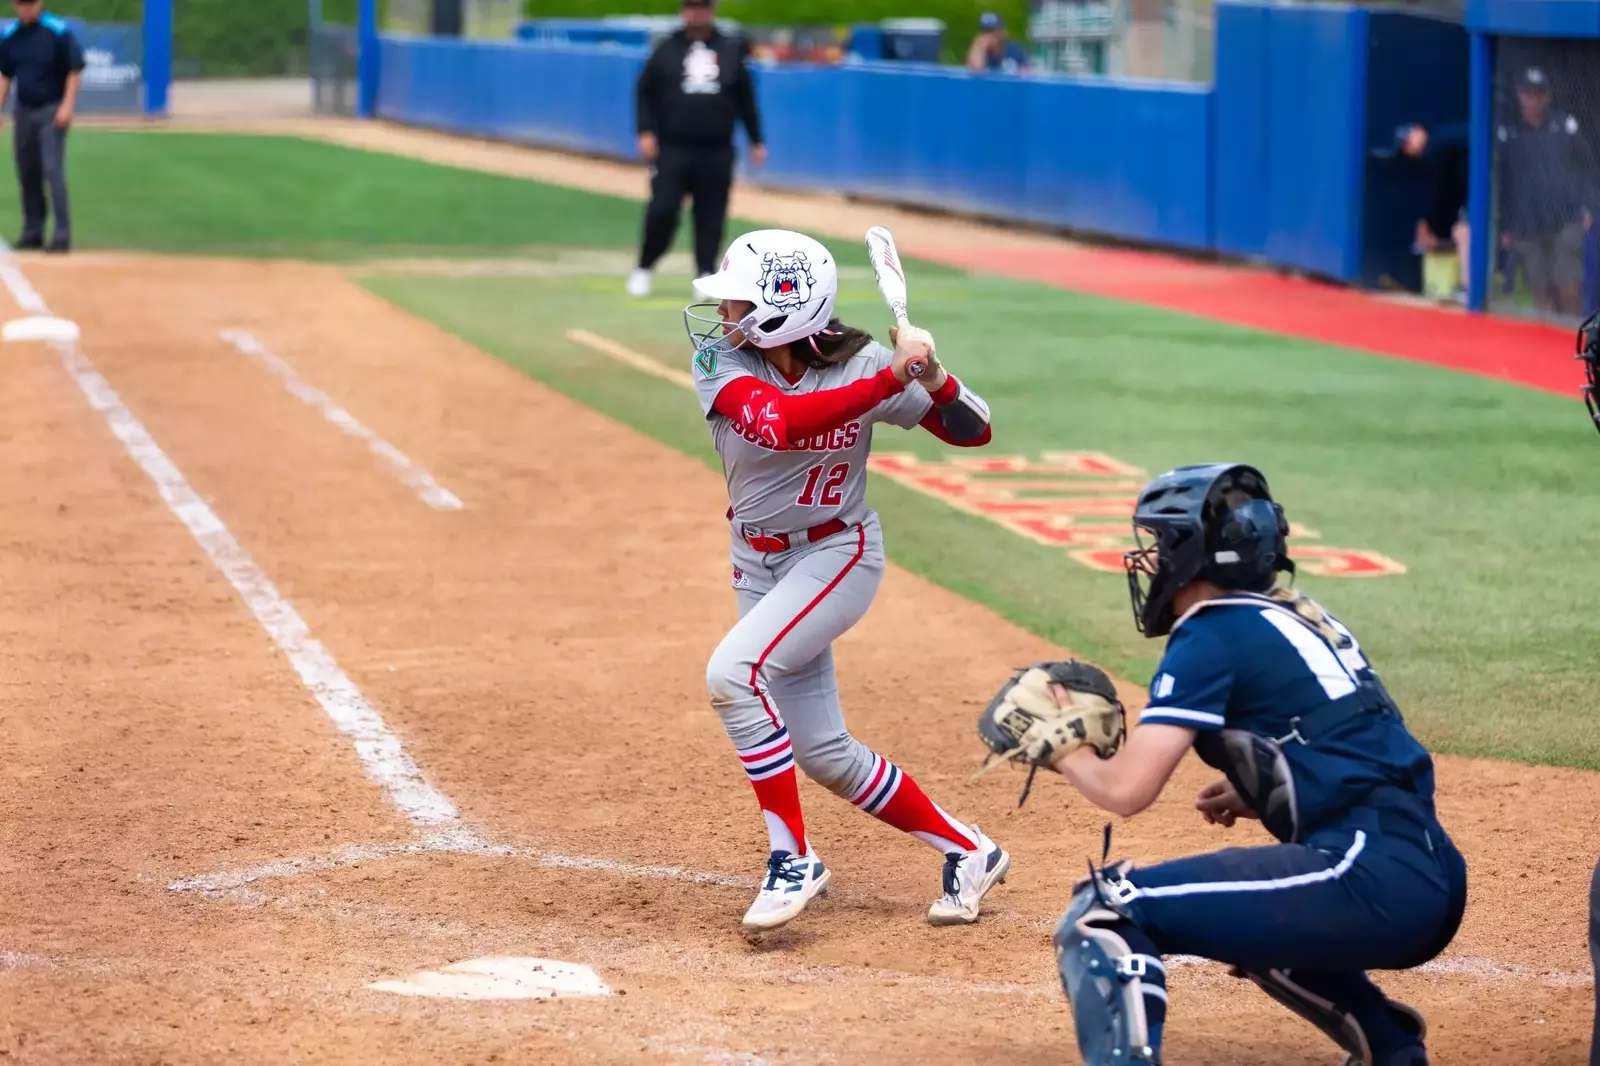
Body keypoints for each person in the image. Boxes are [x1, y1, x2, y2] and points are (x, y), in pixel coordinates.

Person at [988, 463, 1467, 1065]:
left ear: (1193, 553)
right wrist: (1264, 783)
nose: (1154, 560)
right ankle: (1390, 1050)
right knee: (1245, 920)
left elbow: (1128, 790)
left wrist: (1066, 749)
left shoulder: (1211, 633)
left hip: (1367, 878)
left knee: (1107, 907)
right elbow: (1363, 737)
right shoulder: (1298, 615)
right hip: (1426, 872)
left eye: (1162, 544)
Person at [685, 228, 1007, 934]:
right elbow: (777, 424)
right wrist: (888, 381)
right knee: (823, 751)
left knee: (734, 675)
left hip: (836, 556)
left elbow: (973, 430)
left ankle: (791, 858)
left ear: (783, 309)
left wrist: (932, 374)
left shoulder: (862, 362)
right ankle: (968, 849)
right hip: (756, 559)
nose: (723, 313)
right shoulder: (719, 359)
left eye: (737, 301)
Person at [630, 0, 765, 299]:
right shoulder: (665, 49)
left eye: (702, 7)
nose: (697, 13)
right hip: (673, 147)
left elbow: (746, 98)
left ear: (711, 11)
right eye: (691, 7)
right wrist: (645, 130)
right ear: (683, 12)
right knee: (662, 208)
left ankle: (705, 272)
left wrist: (757, 139)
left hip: (716, 148)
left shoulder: (730, 49)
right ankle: (644, 266)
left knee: (711, 214)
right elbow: (644, 92)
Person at [1497, 66, 1598, 316]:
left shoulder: (1565, 126)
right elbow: (1502, 181)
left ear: (1548, 96)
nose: (1534, 100)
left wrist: (1590, 206)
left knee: (1569, 288)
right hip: (1527, 222)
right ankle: (1548, 348)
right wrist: (1505, 225)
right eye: (1528, 93)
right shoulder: (1509, 132)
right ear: (1520, 95)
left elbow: (1589, 165)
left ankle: (1573, 338)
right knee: (1541, 291)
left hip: (1567, 217)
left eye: (1539, 93)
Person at [0, 0, 82, 253]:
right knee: (27, 171)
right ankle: (32, 231)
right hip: (23, 111)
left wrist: (67, 105)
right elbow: (5, 75)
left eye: (31, 4)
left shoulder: (57, 31)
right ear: (15, 6)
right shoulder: (10, 35)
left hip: (52, 109)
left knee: (52, 169)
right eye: (22, 4)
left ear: (40, 4)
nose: (27, 9)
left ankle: (61, 233)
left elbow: (74, 69)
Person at [1397, 122, 1470, 294]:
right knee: (1462, 230)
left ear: (1420, 131)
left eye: (1410, 139)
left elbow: (1443, 193)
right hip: (1484, 186)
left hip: (1493, 182)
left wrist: (1433, 227)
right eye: (1405, 145)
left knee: (1463, 231)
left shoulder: (1437, 146)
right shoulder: (1439, 143)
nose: (1410, 146)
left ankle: (1468, 288)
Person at [965, 12, 1029, 74]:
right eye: (985, 31)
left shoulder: (1015, 50)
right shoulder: (979, 50)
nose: (989, 36)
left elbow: (1025, 74)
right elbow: (976, 71)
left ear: (1002, 32)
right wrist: (979, 47)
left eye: (992, 31)